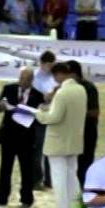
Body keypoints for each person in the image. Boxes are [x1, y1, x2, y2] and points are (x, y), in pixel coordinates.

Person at [34, 61, 88, 208]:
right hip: (74, 139)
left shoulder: (62, 93)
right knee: (71, 175)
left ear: (58, 74)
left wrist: (39, 114)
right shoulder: (81, 89)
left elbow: (54, 117)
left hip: (58, 141)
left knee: (59, 176)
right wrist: (49, 109)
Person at [0, 67, 44, 208]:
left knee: (26, 169)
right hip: (8, 135)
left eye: (26, 79)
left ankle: (26, 199)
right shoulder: (8, 89)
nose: (23, 81)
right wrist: (0, 105)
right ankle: (2, 198)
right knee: (5, 168)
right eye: (21, 78)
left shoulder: (38, 95)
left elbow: (39, 117)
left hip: (26, 138)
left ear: (31, 80)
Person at [32, 51, 59, 186]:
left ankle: (50, 179)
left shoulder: (56, 77)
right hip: (38, 117)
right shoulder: (34, 76)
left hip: (54, 116)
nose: (50, 68)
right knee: (38, 149)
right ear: (42, 63)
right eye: (48, 65)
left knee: (52, 149)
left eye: (52, 65)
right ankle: (37, 178)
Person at [75, 62, 101, 175]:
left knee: (84, 166)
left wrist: (75, 113)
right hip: (72, 134)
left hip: (87, 133)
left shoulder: (89, 88)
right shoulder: (65, 88)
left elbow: (94, 112)